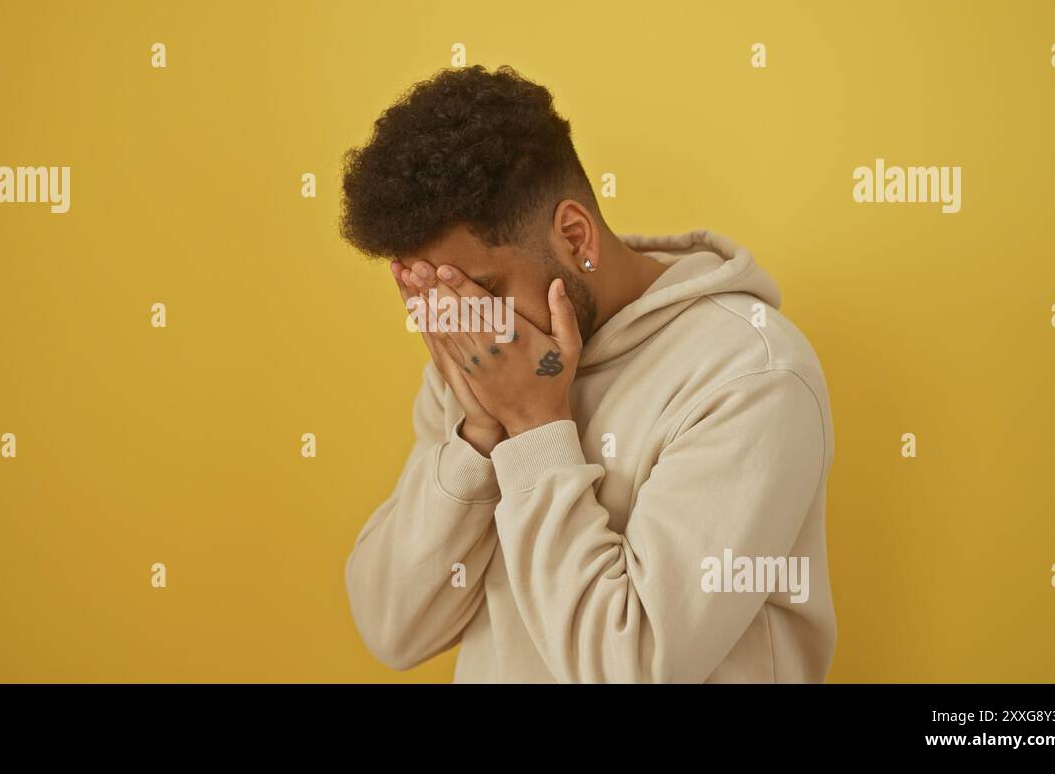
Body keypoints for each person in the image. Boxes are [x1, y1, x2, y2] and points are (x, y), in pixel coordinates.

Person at [339, 64, 836, 683]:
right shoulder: (479, 367)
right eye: (440, 298)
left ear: (575, 236)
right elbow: (393, 628)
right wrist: (478, 438)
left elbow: (630, 668)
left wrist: (535, 424)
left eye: (483, 289)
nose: (464, 325)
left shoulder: (751, 375)